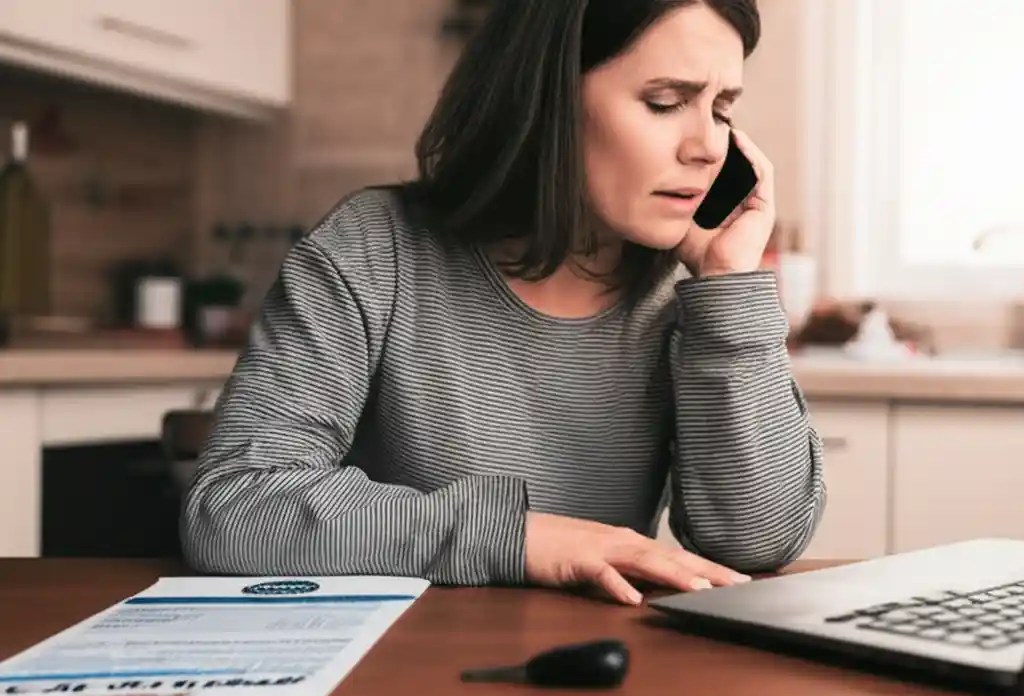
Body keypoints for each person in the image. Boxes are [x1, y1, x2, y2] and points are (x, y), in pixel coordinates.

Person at [180, 0, 825, 606]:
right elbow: (233, 506)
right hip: (394, 662)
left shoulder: (685, 296)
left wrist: (728, 287)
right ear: (546, 101)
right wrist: (521, 539)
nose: (709, 146)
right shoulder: (375, 250)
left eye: (722, 111)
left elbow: (758, 541)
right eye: (665, 102)